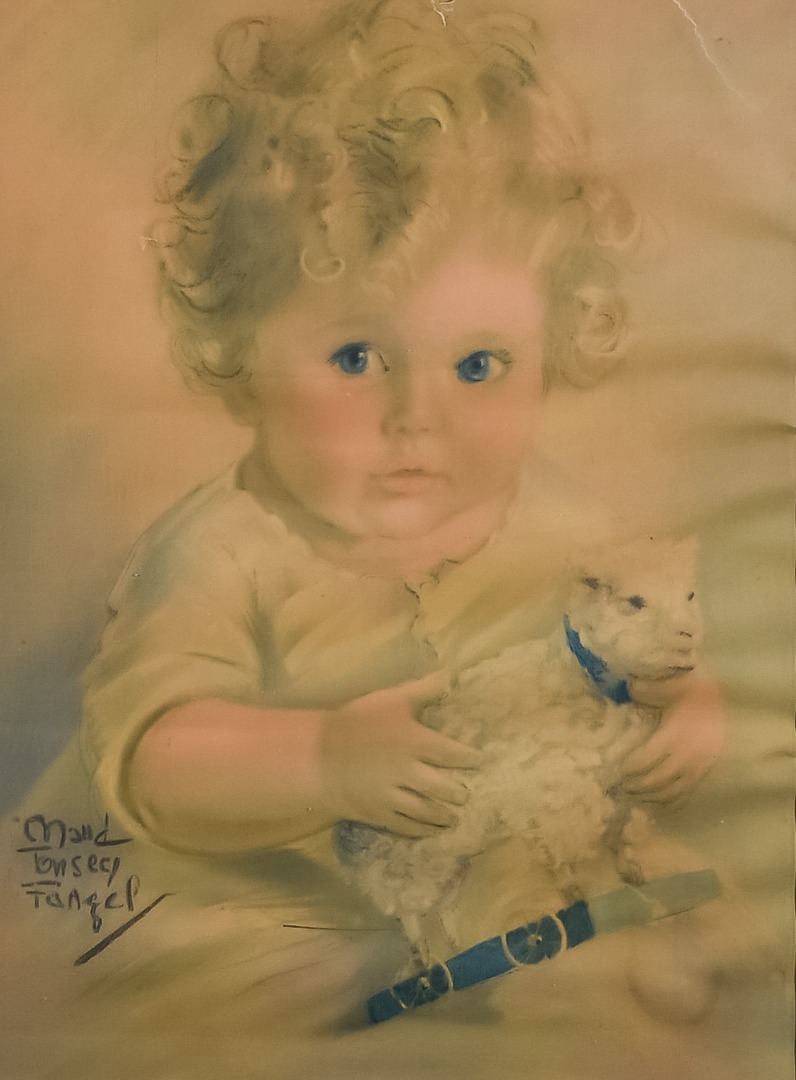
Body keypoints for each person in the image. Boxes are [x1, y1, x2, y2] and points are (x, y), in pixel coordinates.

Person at [2, 0, 725, 1045]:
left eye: (479, 364)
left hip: (508, 861)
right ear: (244, 347)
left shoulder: (557, 517)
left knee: (680, 952)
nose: (415, 416)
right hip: (278, 896)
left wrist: (684, 703)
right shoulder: (227, 546)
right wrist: (322, 760)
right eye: (357, 357)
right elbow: (153, 757)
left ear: (552, 344)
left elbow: (628, 644)